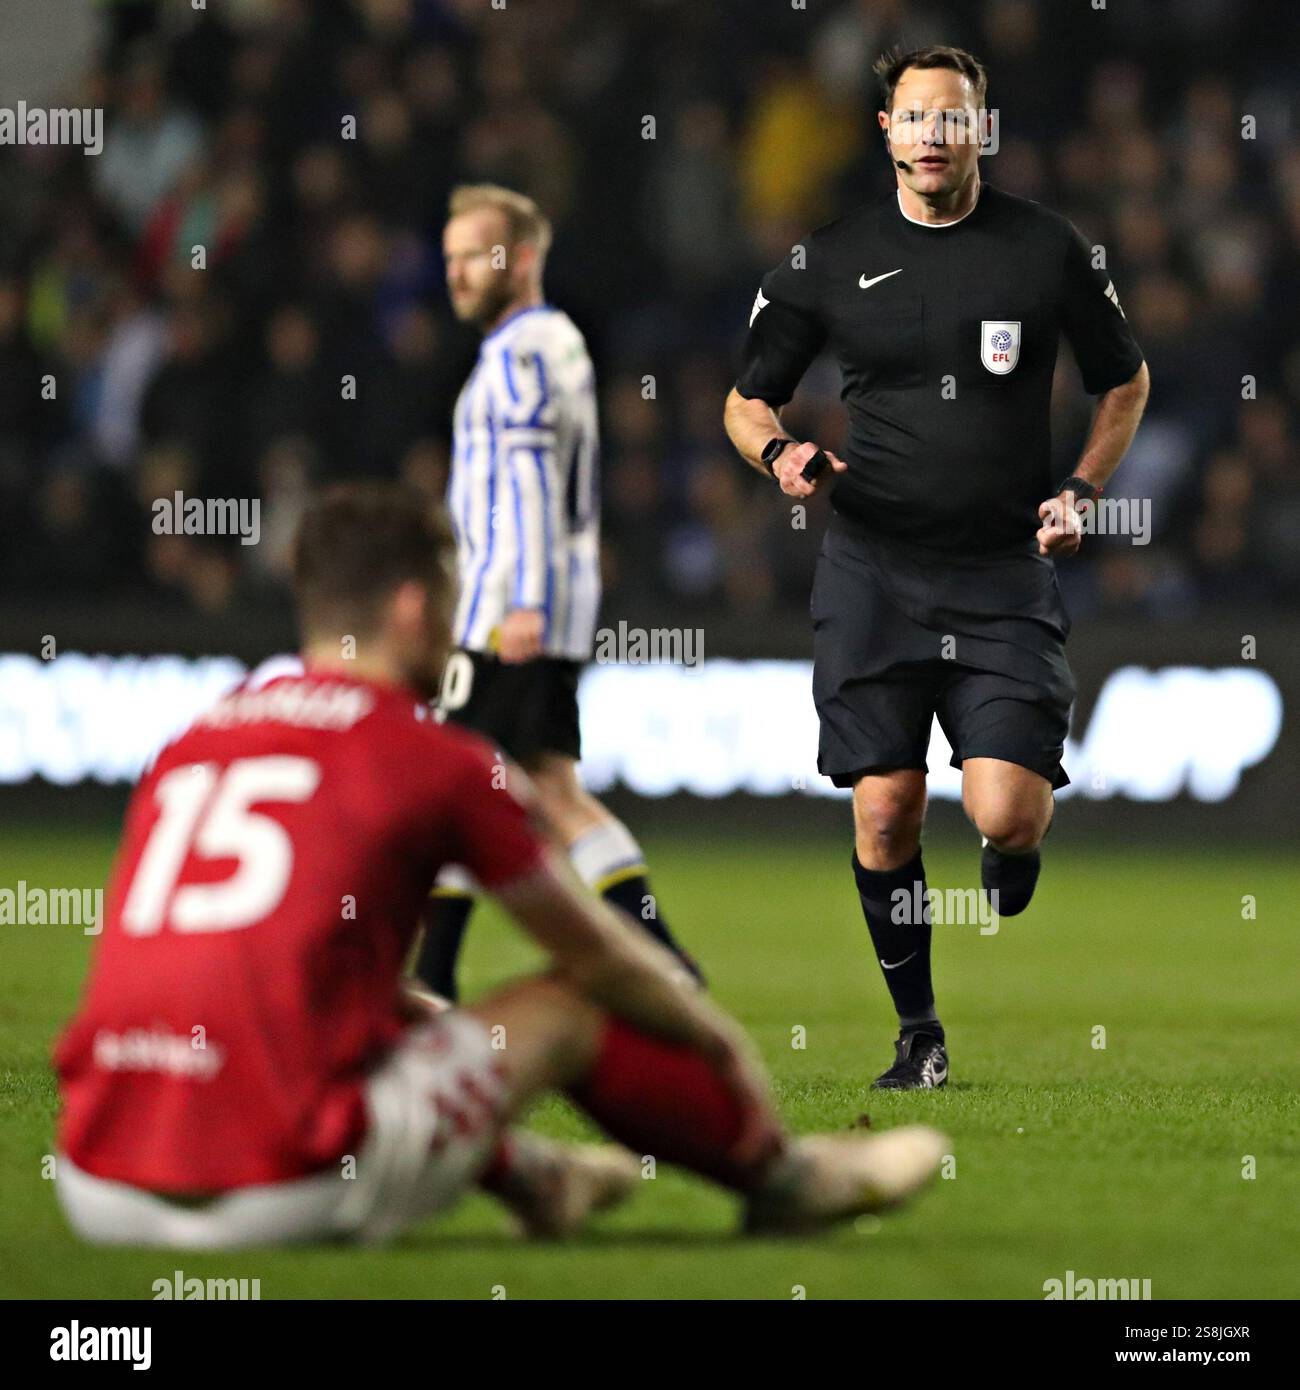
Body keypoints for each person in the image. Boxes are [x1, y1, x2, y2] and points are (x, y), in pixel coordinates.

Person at [53, 482, 946, 1247]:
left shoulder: (196, 737)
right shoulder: (433, 754)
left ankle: (538, 1177)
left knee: (391, 1022)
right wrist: (715, 1034)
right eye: (452, 599)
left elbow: (270, 960)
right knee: (566, 1007)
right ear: (411, 607)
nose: (459, 626)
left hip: (95, 1177)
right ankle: (781, 1176)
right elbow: (595, 959)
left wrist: (432, 1023)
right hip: (276, 1188)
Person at [723, 45, 1149, 1089]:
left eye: (952, 120)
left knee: (1004, 808)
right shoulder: (829, 257)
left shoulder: (1045, 250)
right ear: (886, 132)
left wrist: (1083, 491)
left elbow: (1124, 382)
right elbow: (745, 399)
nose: (932, 136)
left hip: (1001, 569)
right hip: (872, 566)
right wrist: (781, 453)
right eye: (914, 118)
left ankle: (1013, 851)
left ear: (980, 133)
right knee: (884, 808)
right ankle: (920, 1035)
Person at [417, 183, 701, 1001]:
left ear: (525, 257)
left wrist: (526, 603)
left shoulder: (519, 354)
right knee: (553, 789)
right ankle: (666, 961)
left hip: (506, 609)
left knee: (456, 785)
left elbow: (533, 482)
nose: (461, 273)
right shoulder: (552, 344)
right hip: (529, 602)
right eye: (452, 258)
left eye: (478, 254)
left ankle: (433, 979)